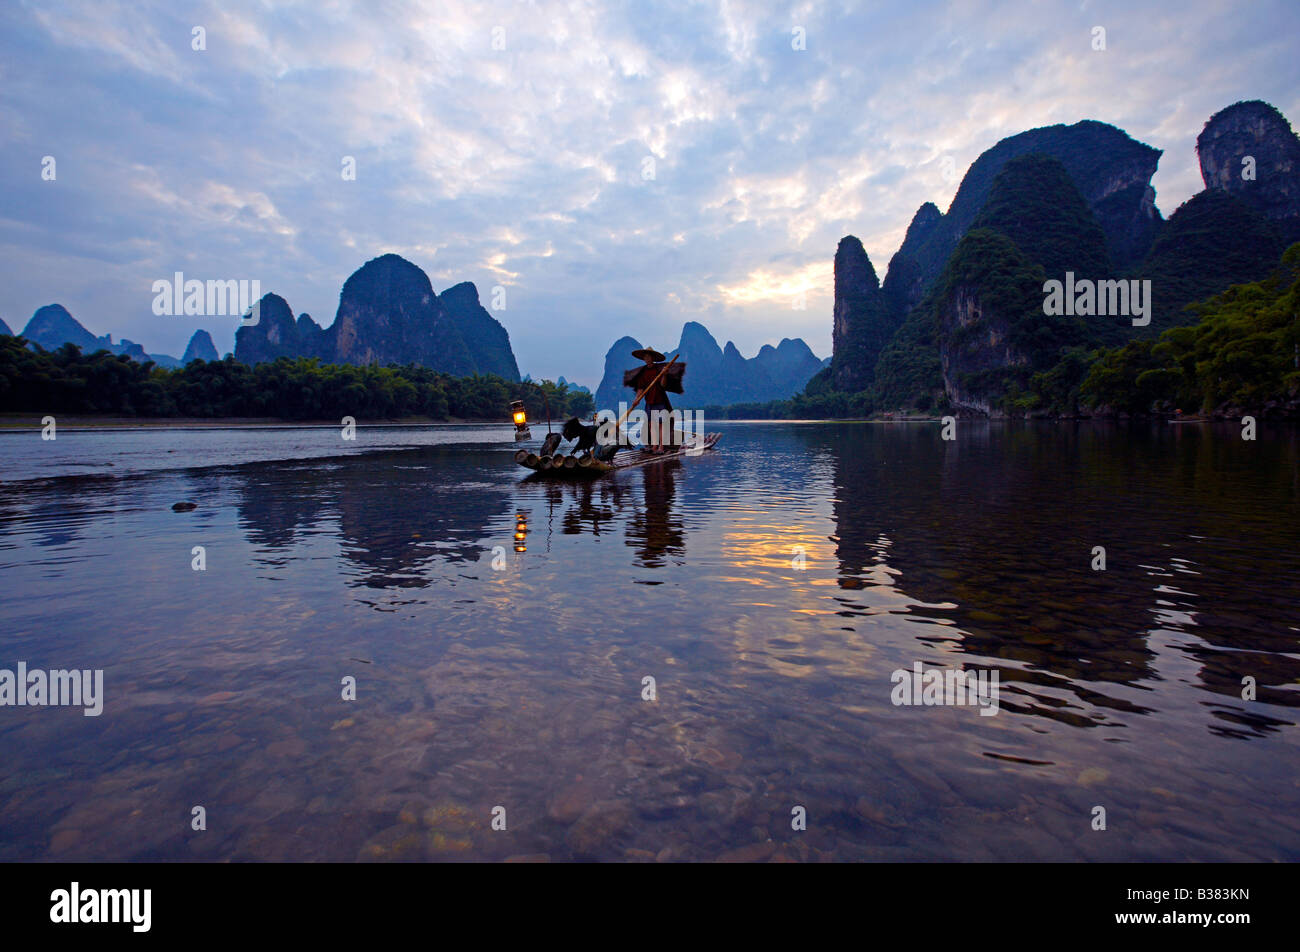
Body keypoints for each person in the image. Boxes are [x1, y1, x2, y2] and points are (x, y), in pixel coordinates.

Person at [624, 347, 685, 454]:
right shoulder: (643, 372)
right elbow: (641, 388)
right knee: (652, 425)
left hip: (660, 400)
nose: (646, 358)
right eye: (645, 357)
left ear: (653, 358)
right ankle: (654, 446)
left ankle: (661, 447)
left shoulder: (659, 369)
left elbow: (663, 385)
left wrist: (664, 375)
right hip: (649, 401)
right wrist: (636, 399)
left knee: (661, 425)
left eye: (648, 356)